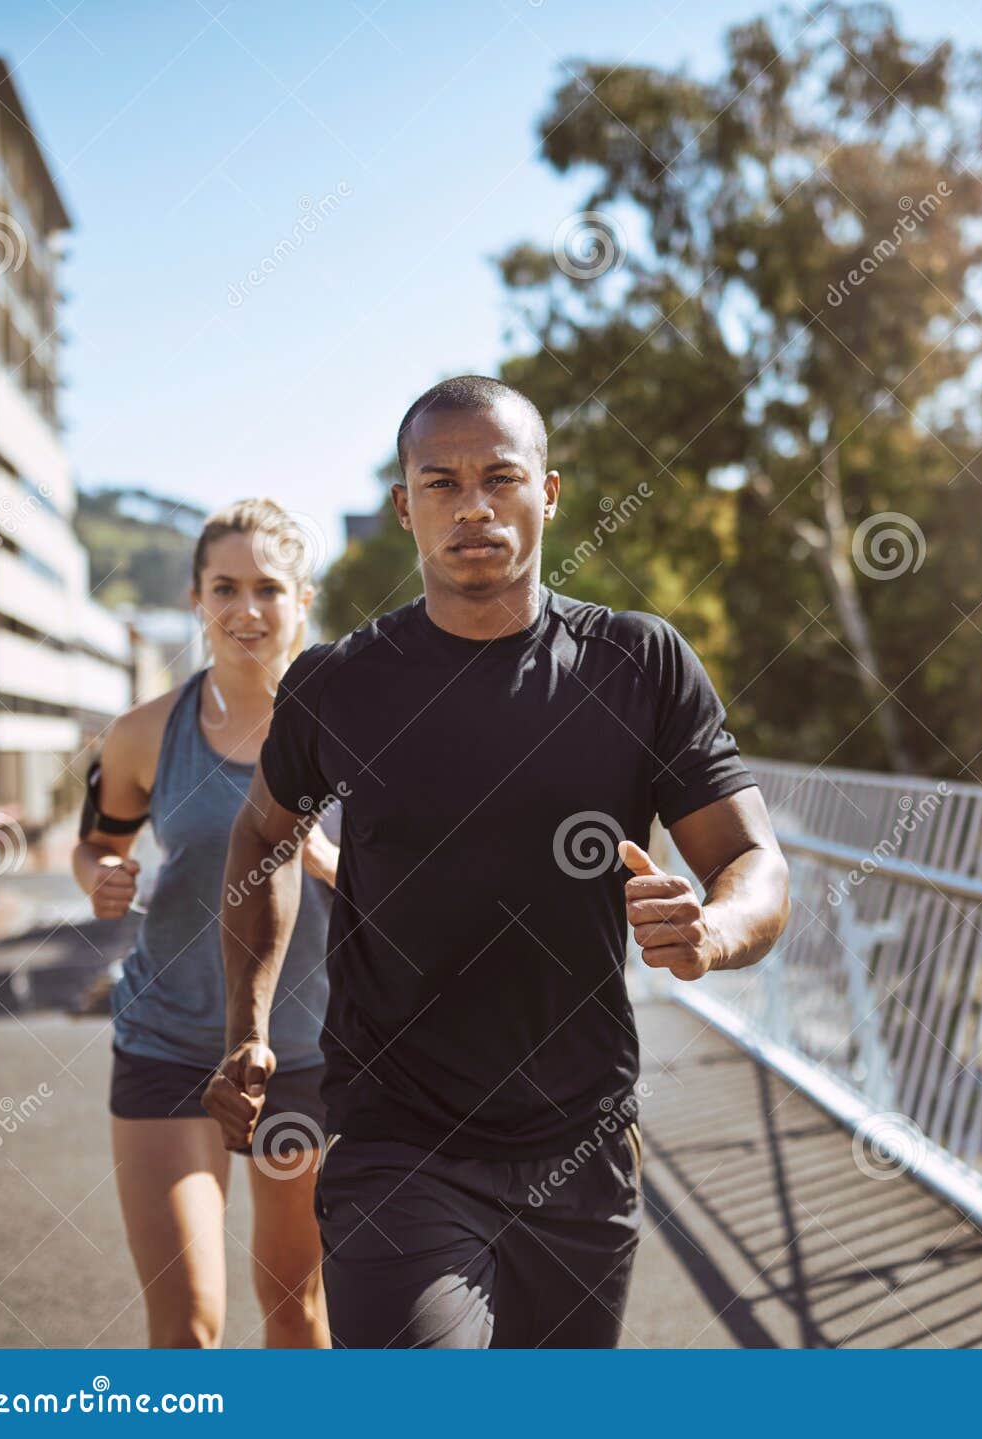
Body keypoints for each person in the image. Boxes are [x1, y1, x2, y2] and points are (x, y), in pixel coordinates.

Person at [204, 375, 791, 1349]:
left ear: (547, 494)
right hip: (397, 1140)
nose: (472, 506)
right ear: (405, 507)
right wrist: (247, 1026)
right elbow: (263, 835)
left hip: (582, 1142)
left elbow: (752, 859)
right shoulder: (340, 683)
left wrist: (712, 930)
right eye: (441, 482)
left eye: (500, 478)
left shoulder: (637, 665)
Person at [72, 499, 335, 1348]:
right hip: (168, 1044)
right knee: (187, 1325)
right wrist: (101, 876)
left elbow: (425, 873)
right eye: (225, 587)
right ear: (196, 598)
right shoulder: (144, 734)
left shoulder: (355, 730)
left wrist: (334, 862)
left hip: (305, 1054)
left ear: (302, 599)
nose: (246, 609)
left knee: (296, 1309)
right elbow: (96, 843)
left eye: (268, 588)